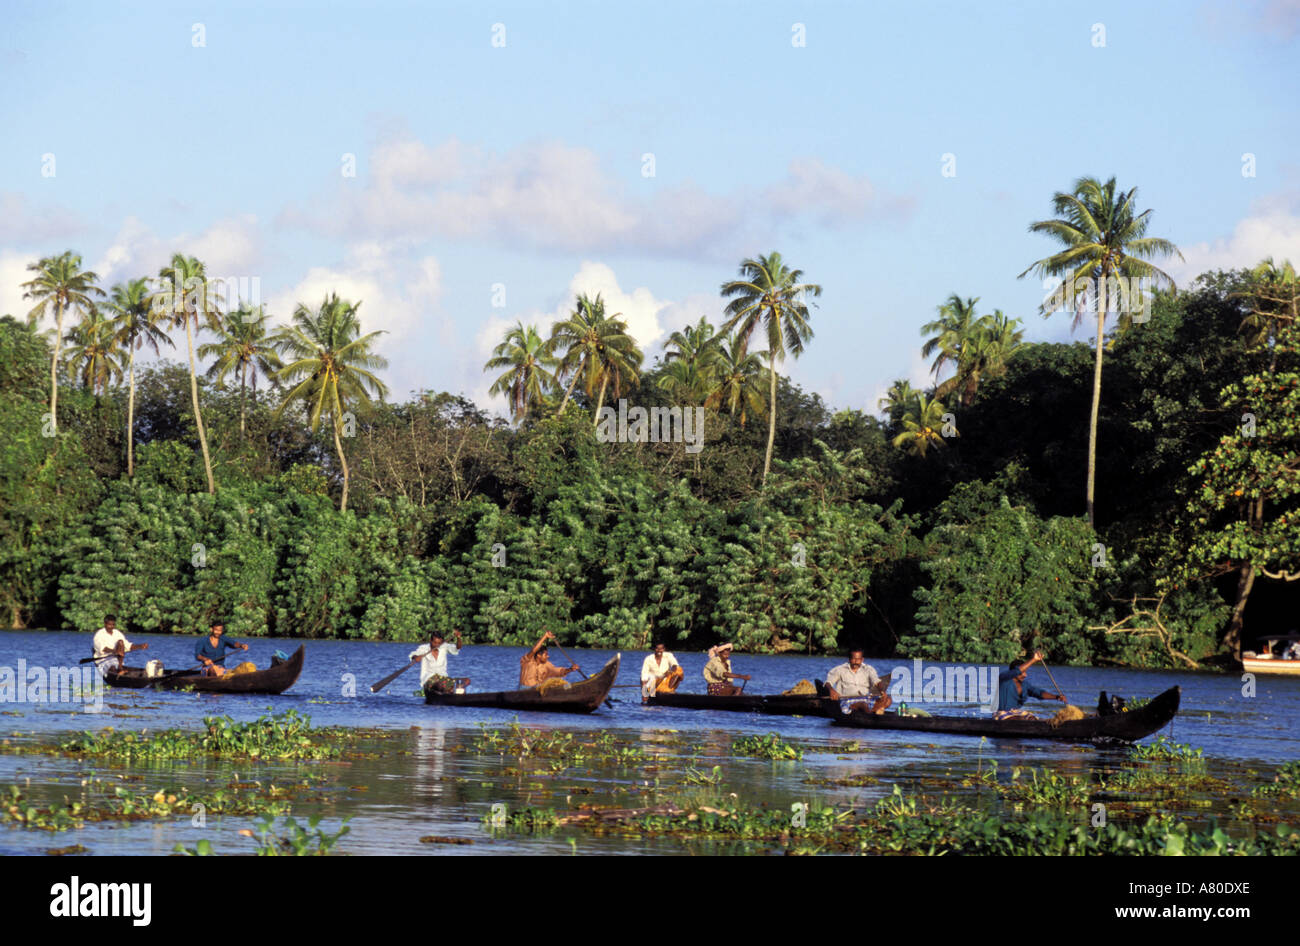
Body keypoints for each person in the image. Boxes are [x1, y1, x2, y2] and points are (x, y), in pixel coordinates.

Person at [994, 651, 1066, 719]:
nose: (1025, 675)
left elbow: (1040, 693)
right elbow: (1017, 670)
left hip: (1017, 713)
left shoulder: (1025, 685)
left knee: (1033, 718)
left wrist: (1057, 697)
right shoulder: (1004, 678)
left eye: (1025, 672)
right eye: (1023, 672)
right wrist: (1034, 659)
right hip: (1002, 714)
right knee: (1020, 719)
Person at [825, 648, 892, 714]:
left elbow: (877, 681)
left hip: (865, 698)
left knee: (888, 700)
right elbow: (828, 682)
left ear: (862, 659)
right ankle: (873, 711)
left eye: (858, 659)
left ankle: (873, 710)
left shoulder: (868, 669)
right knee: (863, 705)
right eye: (853, 659)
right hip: (847, 700)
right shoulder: (840, 669)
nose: (856, 662)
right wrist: (831, 690)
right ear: (849, 659)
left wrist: (882, 691)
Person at [410, 629, 466, 694]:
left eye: (439, 643)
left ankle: (452, 692)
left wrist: (458, 637)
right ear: (430, 641)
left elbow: (458, 648)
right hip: (429, 679)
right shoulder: (424, 648)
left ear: (441, 642)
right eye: (434, 642)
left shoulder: (444, 646)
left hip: (443, 678)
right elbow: (414, 655)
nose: (436, 645)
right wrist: (416, 658)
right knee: (440, 684)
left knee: (466, 680)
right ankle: (447, 691)